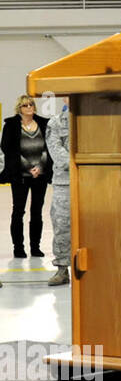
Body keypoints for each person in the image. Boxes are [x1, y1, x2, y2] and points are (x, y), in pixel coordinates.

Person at [2, 94, 52, 259]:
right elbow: (9, 150)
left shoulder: (44, 123)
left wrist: (40, 167)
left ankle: (35, 247)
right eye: (25, 105)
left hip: (40, 176)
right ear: (19, 108)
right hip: (20, 176)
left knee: (36, 211)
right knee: (18, 211)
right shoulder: (10, 125)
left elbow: (48, 147)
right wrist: (29, 167)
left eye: (31, 104)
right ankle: (18, 248)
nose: (29, 107)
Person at [46, 101, 71, 286]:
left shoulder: (93, 119)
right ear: (64, 98)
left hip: (94, 182)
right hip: (65, 181)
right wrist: (79, 164)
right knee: (62, 224)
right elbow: (55, 149)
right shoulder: (55, 123)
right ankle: (62, 269)